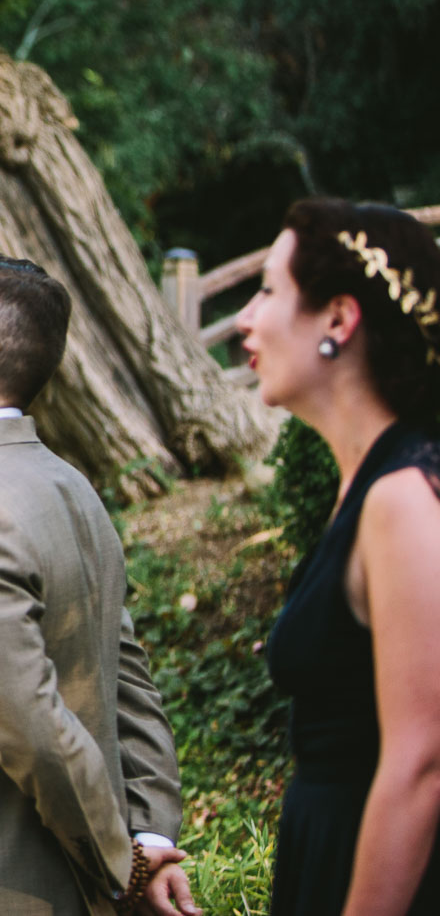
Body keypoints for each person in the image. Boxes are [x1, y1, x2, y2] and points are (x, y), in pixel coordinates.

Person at [0, 250, 194, 916]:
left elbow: (31, 726)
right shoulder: (71, 485)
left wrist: (126, 861)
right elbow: (129, 683)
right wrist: (150, 826)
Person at [238, 199, 440, 916]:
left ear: (338, 319)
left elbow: (421, 760)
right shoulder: (365, 485)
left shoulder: (402, 498)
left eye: (267, 289)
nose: (245, 319)